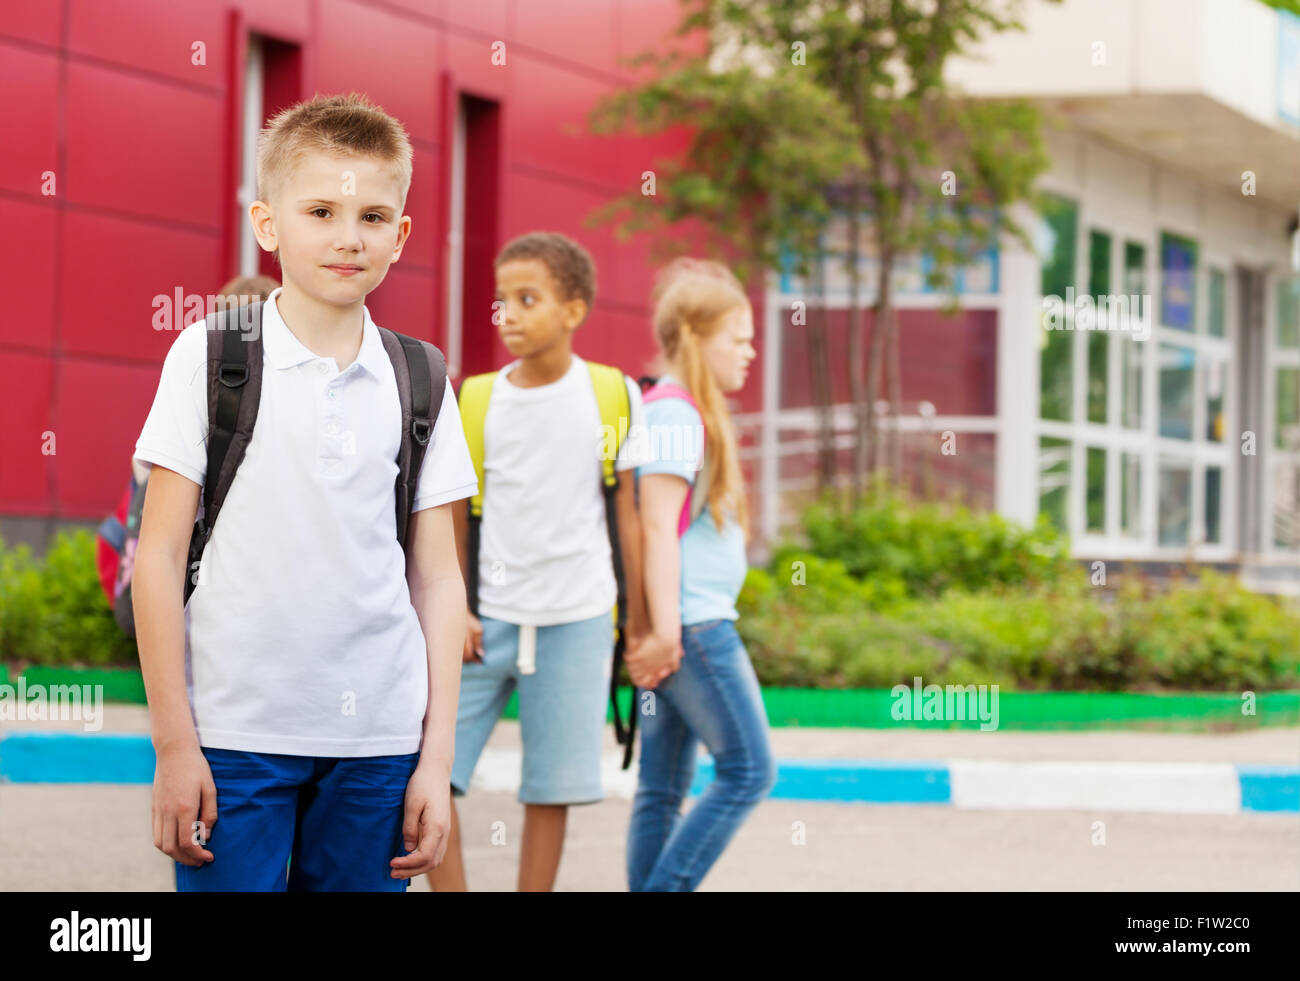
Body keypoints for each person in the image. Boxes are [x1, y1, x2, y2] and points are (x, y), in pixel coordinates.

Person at [131, 92, 477, 891]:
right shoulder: (211, 355)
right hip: (233, 735)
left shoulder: (420, 376)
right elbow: (158, 557)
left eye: (373, 215)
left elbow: (438, 576)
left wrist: (436, 758)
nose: (348, 237)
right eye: (320, 210)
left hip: (381, 746)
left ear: (402, 235)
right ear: (268, 223)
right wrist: (175, 746)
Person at [428, 231, 649, 892]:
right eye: (502, 302)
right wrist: (458, 604)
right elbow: (453, 516)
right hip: (482, 620)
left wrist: (638, 620)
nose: (510, 315)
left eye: (528, 299)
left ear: (574, 309)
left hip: (577, 617)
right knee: (425, 769)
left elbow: (629, 516)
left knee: (550, 787)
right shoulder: (473, 398)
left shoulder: (614, 395)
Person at [624, 259, 776, 892]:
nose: (750, 352)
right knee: (748, 770)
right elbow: (656, 526)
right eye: (738, 339)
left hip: (681, 623)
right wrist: (662, 632)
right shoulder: (676, 414)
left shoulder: (675, 411)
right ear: (696, 336)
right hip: (693, 626)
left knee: (662, 786)